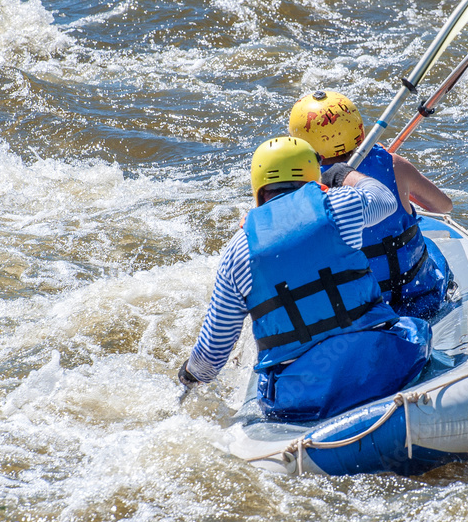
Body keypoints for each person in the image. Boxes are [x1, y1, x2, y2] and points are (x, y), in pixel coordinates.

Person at [177, 136, 430, 423]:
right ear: (315, 177)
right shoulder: (338, 205)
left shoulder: (238, 250)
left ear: (259, 188)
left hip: (302, 399)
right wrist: (344, 175)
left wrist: (190, 374)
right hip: (380, 364)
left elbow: (212, 355)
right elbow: (384, 199)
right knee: (413, 328)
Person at [288, 90, 452, 318]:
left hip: (360, 314)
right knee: (432, 247)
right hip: (420, 301)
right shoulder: (392, 163)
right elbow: (443, 206)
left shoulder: (300, 191)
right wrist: (401, 185)